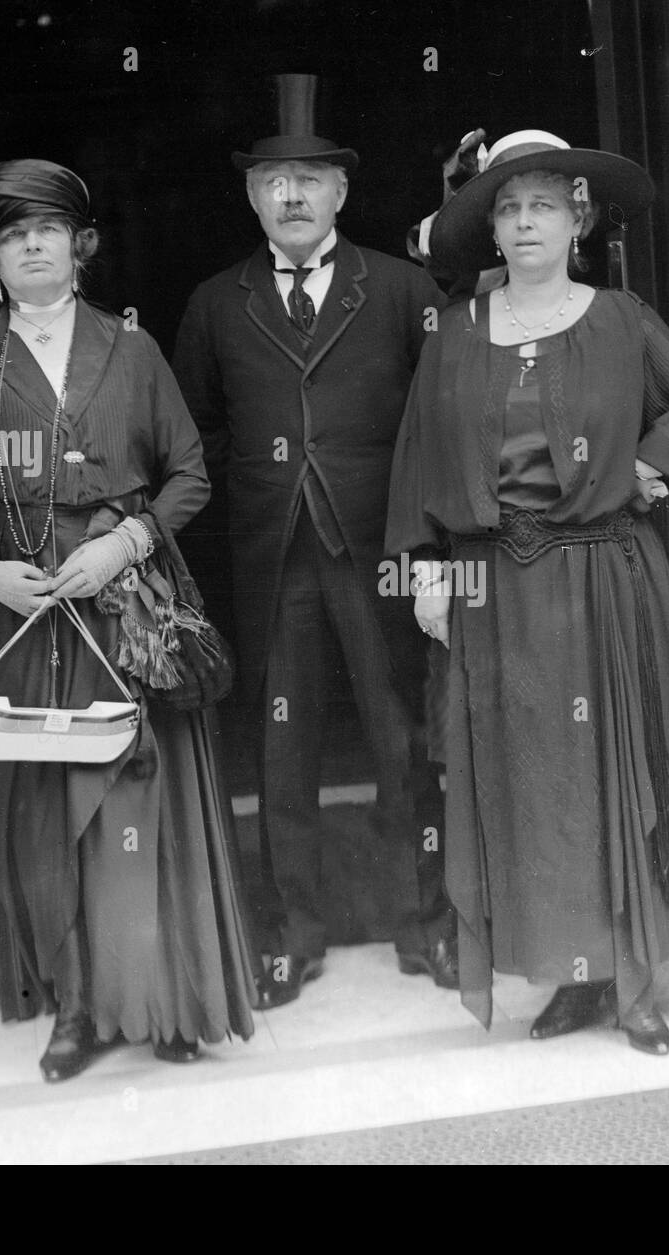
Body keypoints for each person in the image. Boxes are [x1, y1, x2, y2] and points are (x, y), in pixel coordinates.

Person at [0, 159, 258, 1081]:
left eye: (49, 230)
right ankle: (75, 1006)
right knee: (44, 812)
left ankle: (166, 997)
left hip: (122, 605)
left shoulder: (132, 350)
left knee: (142, 802)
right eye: (11, 235)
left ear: (81, 246)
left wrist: (127, 542)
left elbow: (190, 472)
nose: (32, 246)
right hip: (18, 617)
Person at [386, 130, 669, 1053]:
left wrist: (651, 466)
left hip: (604, 580)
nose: (525, 220)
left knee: (616, 775)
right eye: (508, 206)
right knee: (530, 786)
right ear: (491, 228)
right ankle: (571, 975)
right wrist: (424, 567)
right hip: (496, 591)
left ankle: (631, 981)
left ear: (578, 218)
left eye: (543, 203)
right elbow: (418, 453)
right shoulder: (454, 335)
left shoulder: (620, 317)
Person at [172, 131, 456, 1008]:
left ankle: (426, 923)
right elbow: (195, 434)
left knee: (400, 733)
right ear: (252, 200)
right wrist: (248, 506)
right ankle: (292, 933)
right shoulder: (218, 302)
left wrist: (428, 541)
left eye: (308, 180)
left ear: (340, 193)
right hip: (274, 552)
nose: (290, 196)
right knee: (280, 746)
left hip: (381, 545)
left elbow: (438, 419)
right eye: (271, 182)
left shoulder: (404, 289)